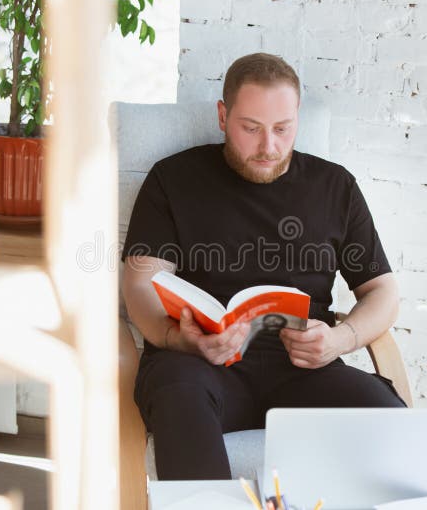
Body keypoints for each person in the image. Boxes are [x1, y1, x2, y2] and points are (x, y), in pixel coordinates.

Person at [120, 53, 405, 481]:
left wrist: (340, 339)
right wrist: (177, 338)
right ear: (223, 116)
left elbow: (382, 291)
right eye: (251, 128)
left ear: (297, 118)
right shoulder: (173, 179)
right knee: (180, 393)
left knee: (390, 421)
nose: (268, 146)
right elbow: (141, 284)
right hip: (198, 366)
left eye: (282, 129)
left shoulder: (335, 187)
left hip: (304, 370)